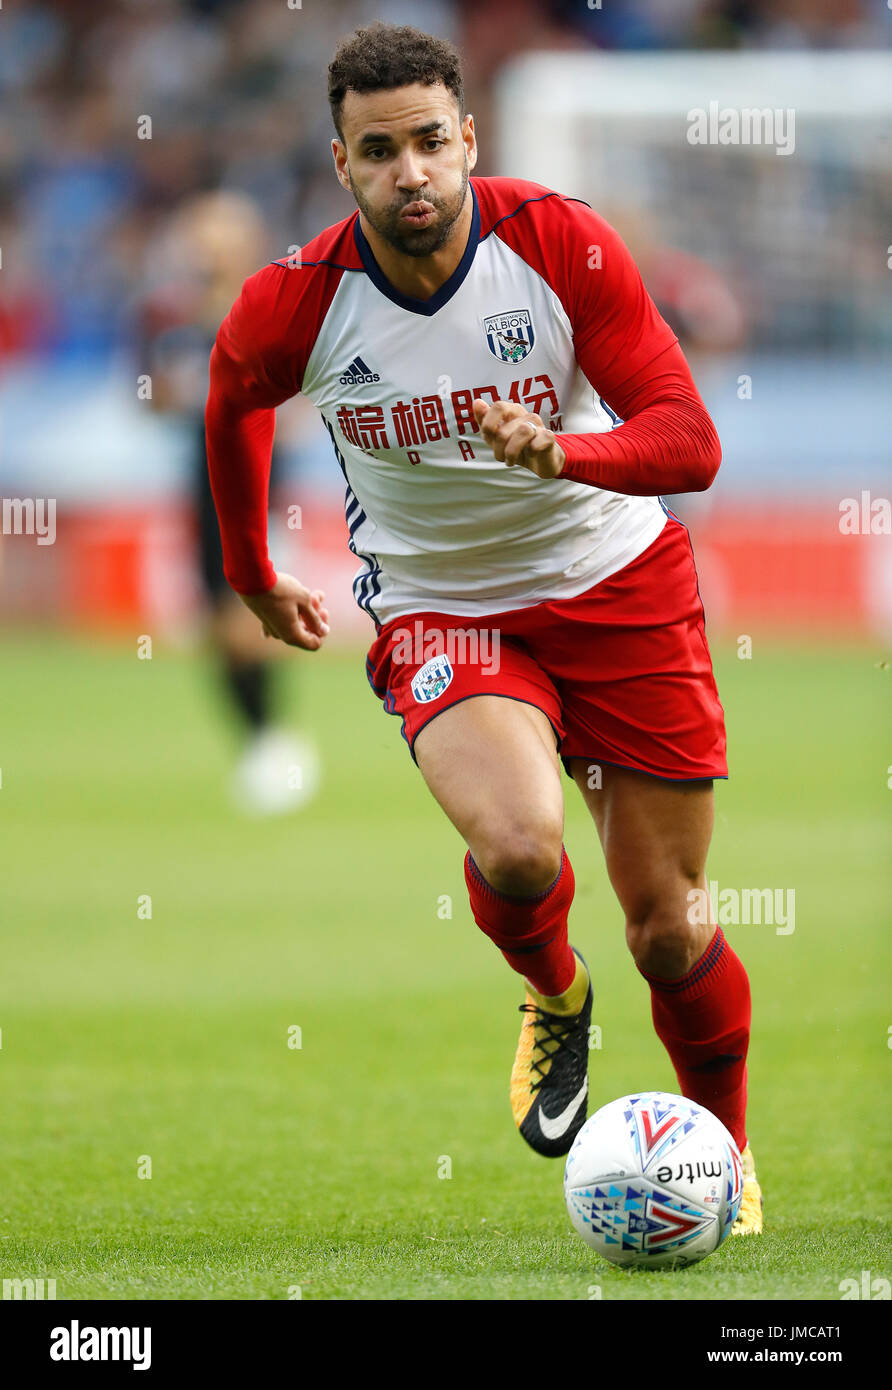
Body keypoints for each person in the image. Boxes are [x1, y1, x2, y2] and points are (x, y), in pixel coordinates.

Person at [205, 24, 762, 1235]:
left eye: (430, 143)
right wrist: (251, 574)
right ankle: (555, 996)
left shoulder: (555, 240)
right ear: (341, 162)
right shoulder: (297, 299)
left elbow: (689, 438)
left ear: (469, 141)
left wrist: (564, 450)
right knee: (518, 848)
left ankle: (721, 1148)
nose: (410, 171)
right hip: (441, 605)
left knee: (668, 928)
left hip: (616, 586)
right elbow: (233, 393)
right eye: (379, 150)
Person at [145, 190, 320, 815]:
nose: (206, 254)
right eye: (200, 242)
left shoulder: (271, 315)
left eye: (217, 241)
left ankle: (274, 745)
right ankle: (263, 742)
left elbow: (302, 400)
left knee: (247, 623)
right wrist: (166, 396)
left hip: (263, 486)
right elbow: (150, 400)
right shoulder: (176, 327)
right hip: (202, 488)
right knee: (215, 629)